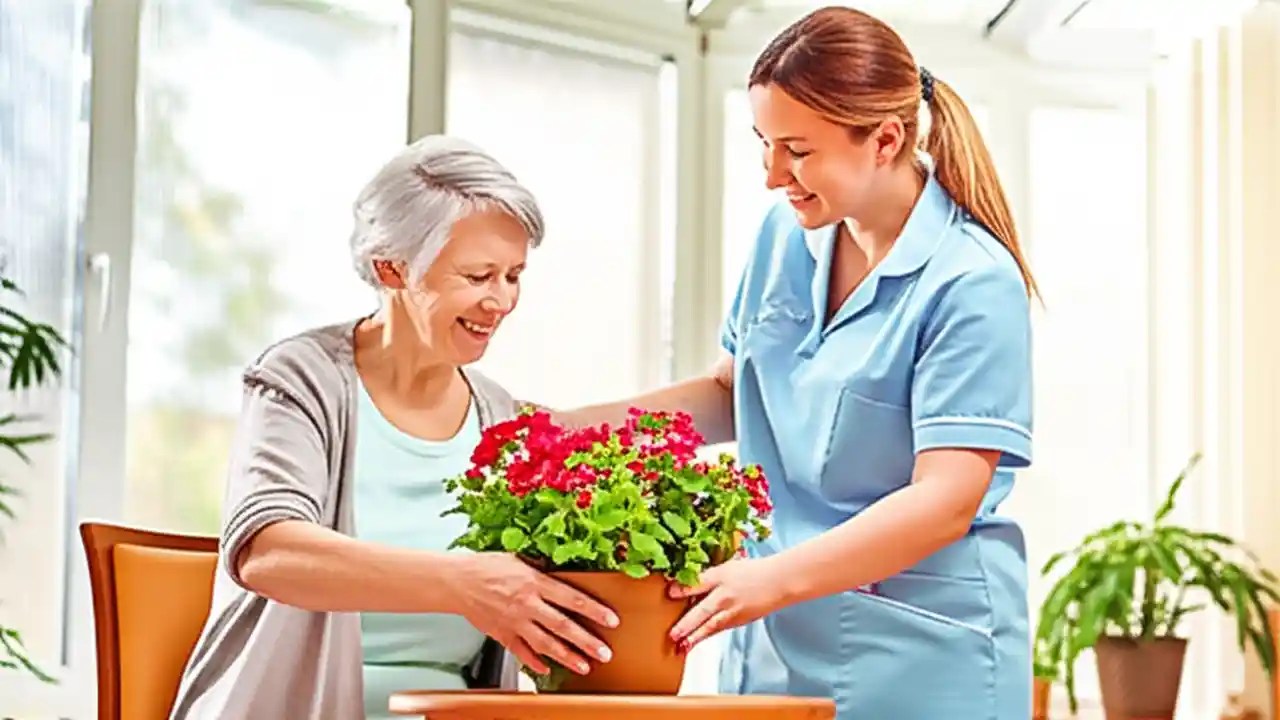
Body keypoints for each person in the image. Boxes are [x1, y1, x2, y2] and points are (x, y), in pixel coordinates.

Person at [556, 6, 1035, 719]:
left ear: (885, 139)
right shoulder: (787, 235)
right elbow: (734, 393)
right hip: (778, 638)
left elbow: (946, 499)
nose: (774, 174)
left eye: (798, 150)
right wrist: (560, 428)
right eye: (764, 144)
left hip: (923, 657)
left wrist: (770, 580)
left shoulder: (970, 281)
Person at [169, 135, 616, 720]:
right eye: (479, 275)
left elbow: (640, 428)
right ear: (392, 268)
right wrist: (463, 584)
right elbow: (267, 552)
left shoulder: (497, 418)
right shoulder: (305, 380)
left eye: (513, 275)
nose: (502, 300)